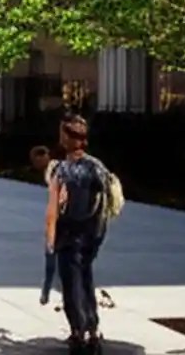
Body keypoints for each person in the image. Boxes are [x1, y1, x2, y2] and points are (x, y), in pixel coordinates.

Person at [46, 116, 113, 354]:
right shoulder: (96, 167)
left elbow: (54, 208)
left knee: (71, 283)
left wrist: (50, 237)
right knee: (86, 279)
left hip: (68, 234)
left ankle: (78, 330)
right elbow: (106, 202)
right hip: (90, 234)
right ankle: (92, 328)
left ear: (67, 137)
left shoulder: (61, 169)